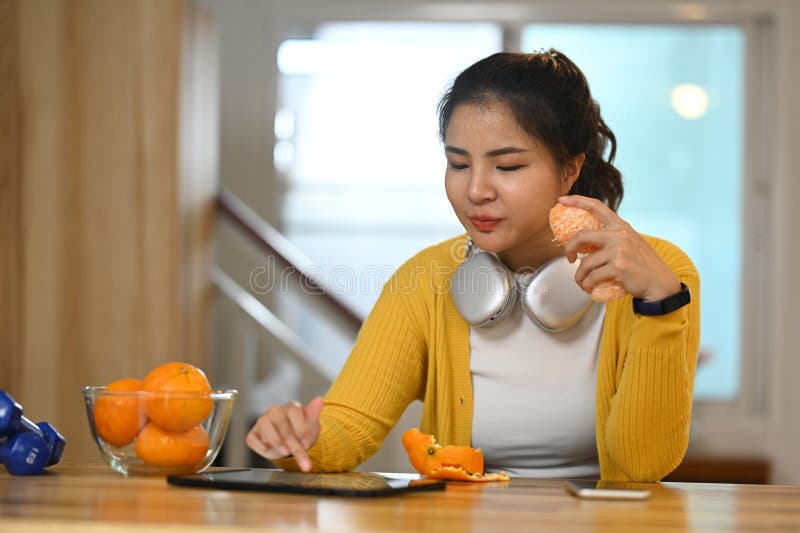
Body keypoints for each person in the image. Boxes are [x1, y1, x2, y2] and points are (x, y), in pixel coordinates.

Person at [246, 49, 700, 482]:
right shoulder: (423, 281)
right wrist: (301, 437)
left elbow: (643, 466)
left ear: (570, 169)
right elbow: (350, 426)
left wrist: (659, 303)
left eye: (507, 166)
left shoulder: (661, 273)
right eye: (458, 164)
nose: (476, 190)